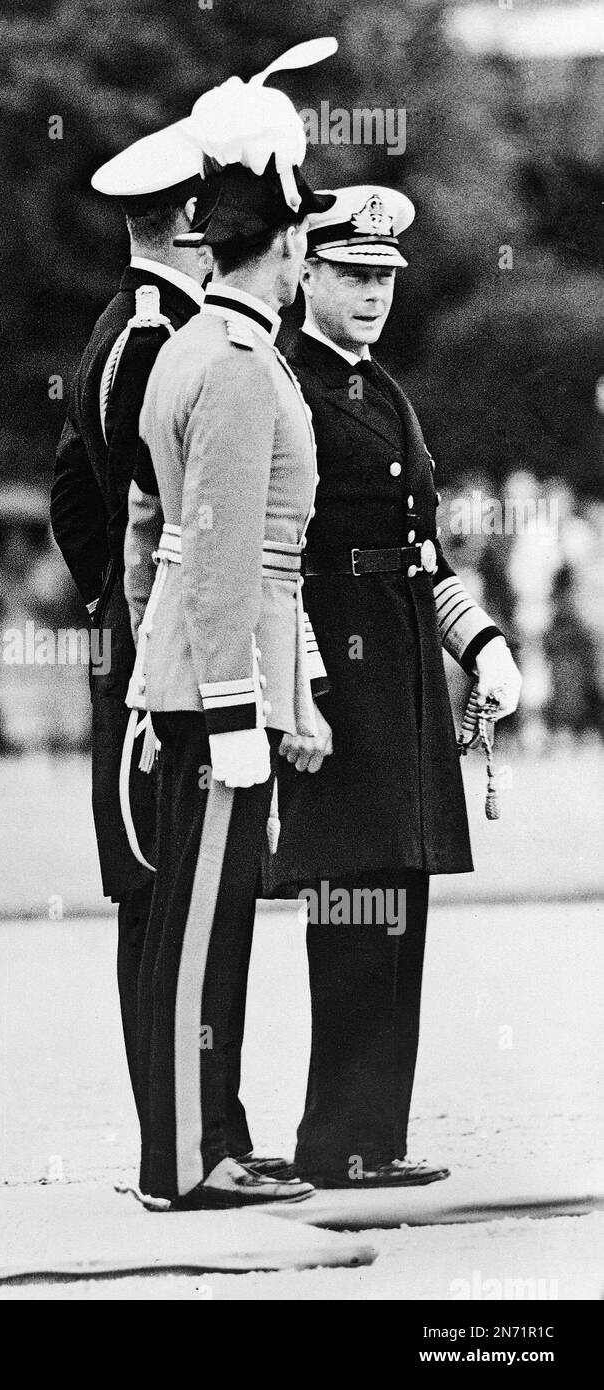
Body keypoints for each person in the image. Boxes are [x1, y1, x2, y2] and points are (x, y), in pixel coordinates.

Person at [270, 185, 523, 1187]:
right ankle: (332, 1139)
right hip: (339, 677)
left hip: (407, 671)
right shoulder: (286, 387)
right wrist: (303, 688)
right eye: (352, 276)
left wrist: (482, 643)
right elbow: (272, 555)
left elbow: (421, 553)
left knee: (399, 909)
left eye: (383, 279)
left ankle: (377, 1133)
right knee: (349, 913)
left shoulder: (384, 392)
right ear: (306, 275)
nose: (373, 294)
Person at [124, 41, 338, 1209]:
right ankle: (186, 1160)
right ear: (289, 249)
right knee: (201, 933)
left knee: (191, 928)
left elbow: (153, 533)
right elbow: (217, 555)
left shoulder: (188, 349)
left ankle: (193, 1143)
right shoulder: (242, 366)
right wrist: (236, 704)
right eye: (305, 244)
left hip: (198, 665)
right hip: (219, 675)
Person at [49, 112, 206, 1129]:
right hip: (163, 641)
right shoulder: (158, 339)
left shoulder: (119, 326)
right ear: (194, 217)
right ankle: (180, 1133)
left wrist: (106, 600)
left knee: (154, 894)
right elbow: (159, 508)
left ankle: (175, 1126)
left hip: (132, 629)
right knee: (169, 893)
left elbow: (72, 498)